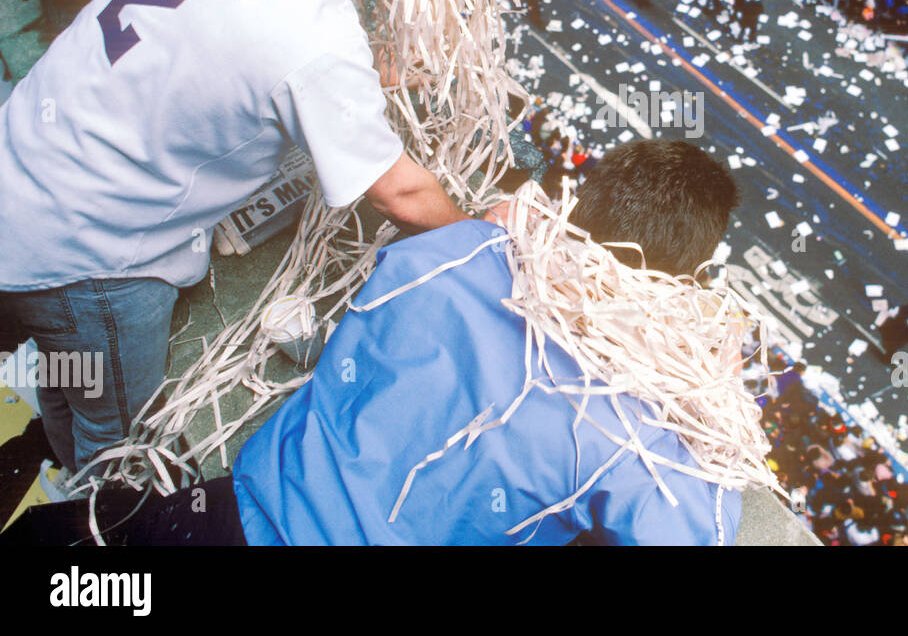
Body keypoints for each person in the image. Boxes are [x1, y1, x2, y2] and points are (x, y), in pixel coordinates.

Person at [0, 0, 512, 479]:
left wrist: (369, 79)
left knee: (70, 370)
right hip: (88, 254)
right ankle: (96, 513)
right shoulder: (314, 39)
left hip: (27, 146)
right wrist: (488, 238)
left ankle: (55, 402)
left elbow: (229, 42)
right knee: (116, 431)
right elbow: (402, 194)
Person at [3, 140, 772, 545]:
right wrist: (706, 382)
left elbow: (425, 261)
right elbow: (696, 528)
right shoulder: (642, 431)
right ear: (680, 280)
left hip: (228, 519)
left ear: (586, 201)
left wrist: (502, 235)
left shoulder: (458, 252)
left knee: (58, 544)